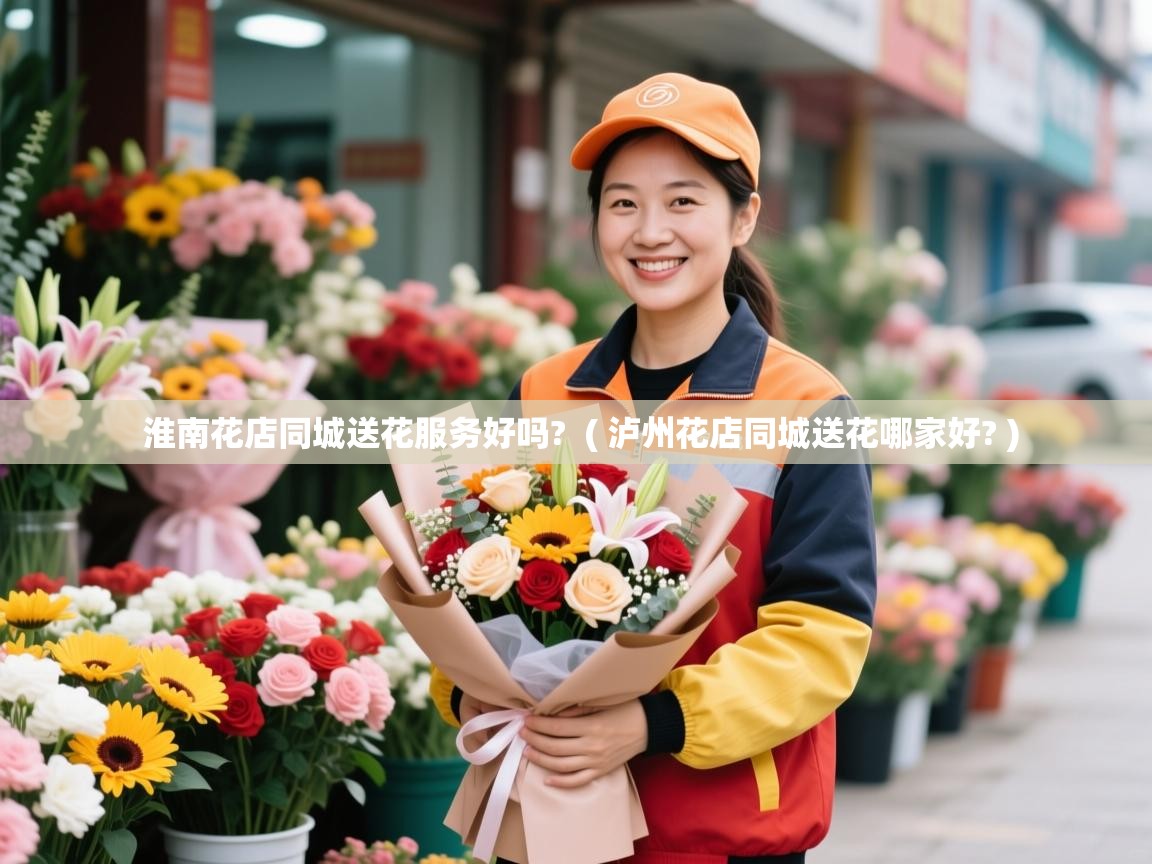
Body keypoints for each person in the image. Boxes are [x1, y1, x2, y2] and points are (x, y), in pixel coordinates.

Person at [430, 72, 876, 864]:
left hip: (724, 828)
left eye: (682, 201)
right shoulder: (541, 391)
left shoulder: (807, 404)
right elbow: (463, 582)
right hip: (553, 815)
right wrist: (467, 690)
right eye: (624, 202)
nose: (649, 230)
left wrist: (653, 723)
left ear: (743, 217)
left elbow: (823, 637)